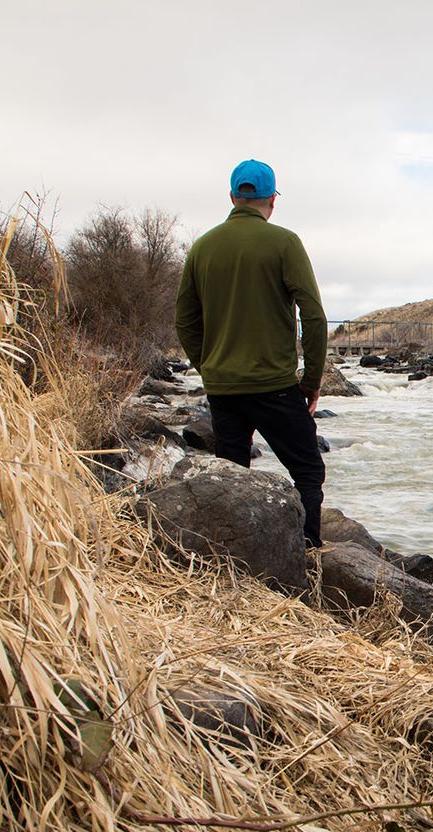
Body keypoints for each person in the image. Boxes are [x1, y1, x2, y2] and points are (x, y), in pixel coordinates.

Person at [174, 159, 329, 547]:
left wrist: (209, 367)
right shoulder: (284, 243)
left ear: (232, 197)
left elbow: (185, 321)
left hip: (223, 388)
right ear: (272, 200)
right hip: (274, 385)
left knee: (233, 477)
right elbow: (313, 316)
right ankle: (306, 554)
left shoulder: (202, 247)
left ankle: (234, 559)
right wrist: (311, 382)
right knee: (308, 472)